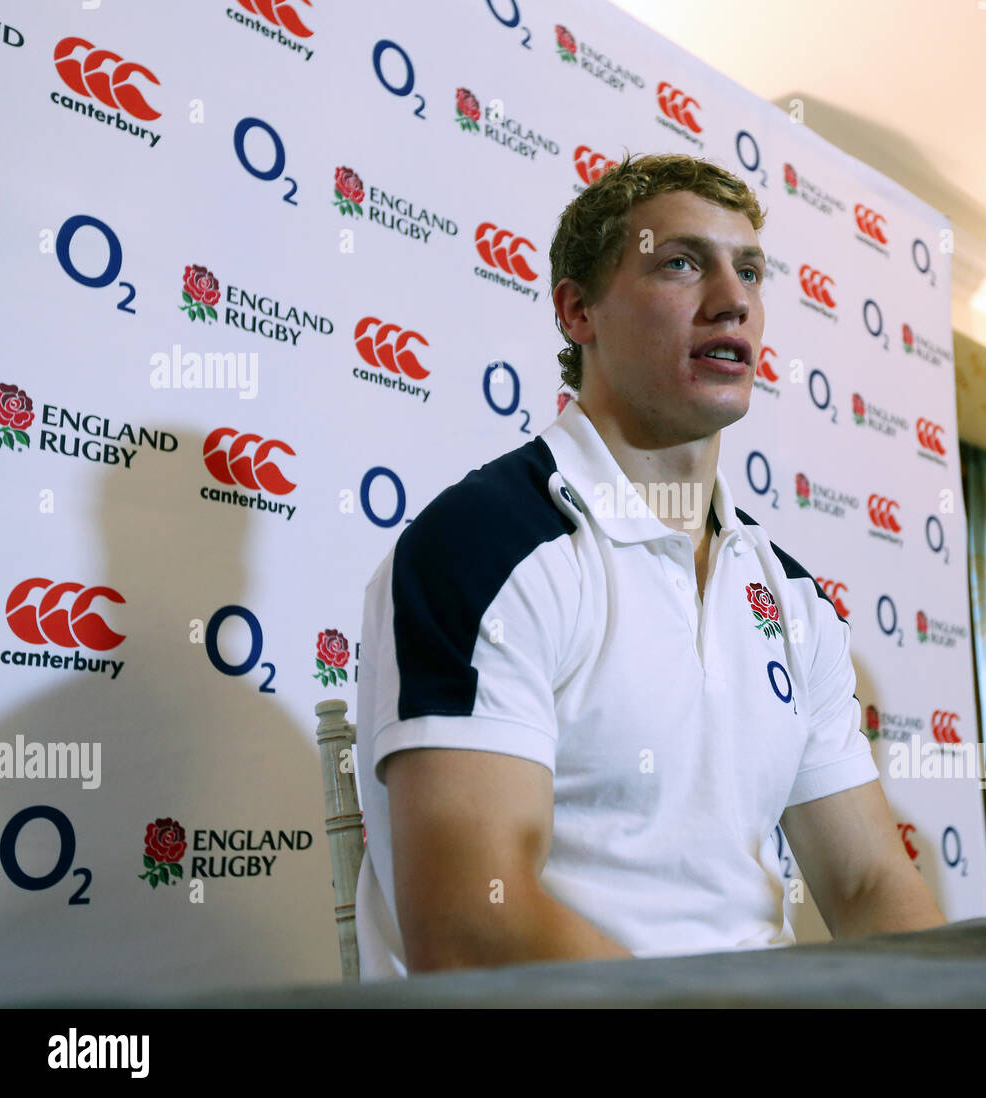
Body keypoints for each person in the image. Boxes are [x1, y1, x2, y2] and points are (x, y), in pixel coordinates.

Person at [353, 152, 945, 977]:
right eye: (679, 264)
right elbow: (472, 926)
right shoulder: (484, 546)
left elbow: (869, 879)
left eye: (749, 271)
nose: (732, 300)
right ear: (578, 310)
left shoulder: (793, 598)